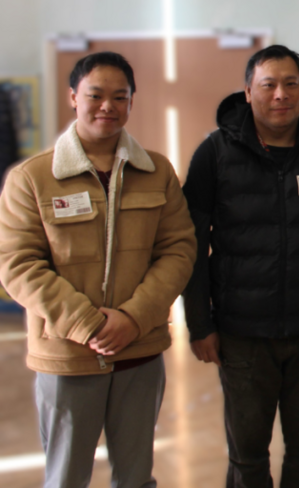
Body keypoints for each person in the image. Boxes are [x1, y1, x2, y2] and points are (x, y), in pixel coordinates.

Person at [0, 52, 196, 487]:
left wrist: (132, 319)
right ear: (74, 97)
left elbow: (178, 250)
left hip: (139, 354)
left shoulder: (157, 172)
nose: (107, 106)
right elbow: (17, 264)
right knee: (67, 477)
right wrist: (88, 325)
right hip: (67, 356)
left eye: (119, 97)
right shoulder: (32, 179)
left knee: (135, 478)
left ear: (131, 102)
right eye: (95, 95)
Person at [181, 45, 299, 487]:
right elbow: (188, 243)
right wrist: (199, 323)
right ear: (248, 92)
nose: (280, 94)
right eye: (268, 85)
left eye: (291, 84)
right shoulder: (215, 152)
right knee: (247, 458)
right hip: (242, 335)